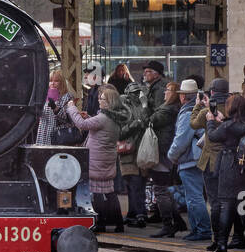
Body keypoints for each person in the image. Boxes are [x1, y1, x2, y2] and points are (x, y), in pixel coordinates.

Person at [206, 93, 245, 252]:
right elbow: (236, 128)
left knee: (227, 207)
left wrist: (211, 122)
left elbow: (213, 137)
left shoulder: (227, 126)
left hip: (231, 169)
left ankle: (222, 246)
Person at [65, 84, 124, 232]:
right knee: (110, 192)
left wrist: (72, 108)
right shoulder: (114, 117)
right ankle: (119, 223)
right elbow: (98, 126)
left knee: (97, 192)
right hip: (107, 159)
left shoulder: (103, 118)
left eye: (102, 99)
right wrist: (90, 117)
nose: (99, 101)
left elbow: (81, 124)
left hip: (96, 159)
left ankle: (101, 223)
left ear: (109, 102)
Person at [168, 79, 212, 241]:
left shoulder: (187, 113)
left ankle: (203, 230)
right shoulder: (197, 108)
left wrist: (171, 156)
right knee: (193, 196)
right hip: (196, 159)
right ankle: (196, 229)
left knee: (194, 197)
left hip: (190, 160)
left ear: (183, 97)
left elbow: (181, 140)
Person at [191, 77, 231, 251]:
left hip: (210, 162)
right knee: (228, 202)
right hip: (229, 162)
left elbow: (193, 123)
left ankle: (218, 239)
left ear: (212, 92)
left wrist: (199, 104)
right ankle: (233, 238)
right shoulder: (231, 108)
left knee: (215, 203)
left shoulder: (207, 110)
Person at [146, 81, 183, 236]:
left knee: (160, 190)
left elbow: (150, 120)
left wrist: (144, 106)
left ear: (173, 93)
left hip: (162, 153)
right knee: (166, 189)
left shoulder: (166, 110)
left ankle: (168, 225)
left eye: (168, 90)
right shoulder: (174, 109)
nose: (164, 93)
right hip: (167, 153)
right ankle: (178, 221)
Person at [113, 80, 150, 226]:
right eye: (134, 93)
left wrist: (145, 106)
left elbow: (146, 121)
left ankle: (137, 214)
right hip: (129, 151)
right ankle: (136, 213)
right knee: (133, 183)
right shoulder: (123, 106)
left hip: (142, 149)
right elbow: (120, 132)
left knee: (138, 184)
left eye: (138, 92)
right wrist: (136, 123)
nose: (137, 95)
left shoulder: (144, 103)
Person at [36, 69, 69, 144]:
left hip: (58, 134)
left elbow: (66, 118)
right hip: (43, 132)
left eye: (56, 81)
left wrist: (55, 108)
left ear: (62, 83)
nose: (52, 83)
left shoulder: (66, 97)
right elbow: (39, 115)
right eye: (50, 81)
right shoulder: (43, 96)